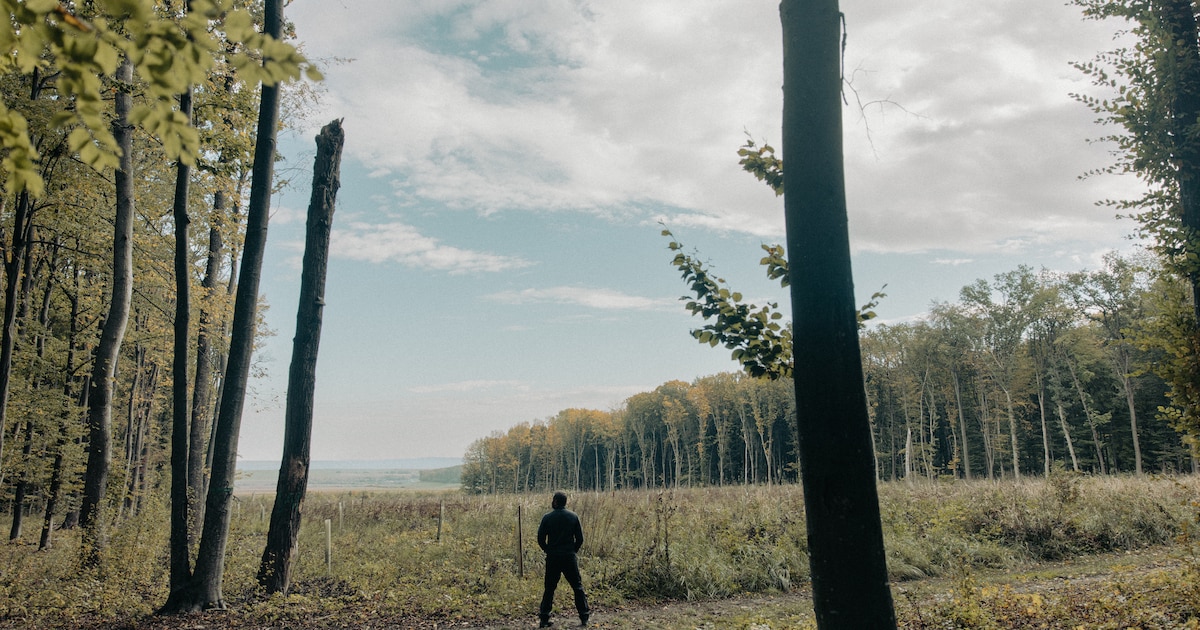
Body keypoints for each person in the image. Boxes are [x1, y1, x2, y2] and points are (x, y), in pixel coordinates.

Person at [537, 491, 590, 628]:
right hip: (568, 556)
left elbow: (540, 539)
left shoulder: (547, 518)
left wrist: (548, 550)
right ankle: (584, 617)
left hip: (553, 557)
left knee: (549, 588)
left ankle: (544, 618)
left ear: (555, 501)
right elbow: (580, 539)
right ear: (565, 502)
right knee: (577, 587)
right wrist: (572, 550)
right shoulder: (573, 517)